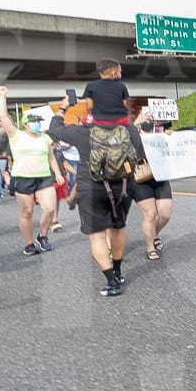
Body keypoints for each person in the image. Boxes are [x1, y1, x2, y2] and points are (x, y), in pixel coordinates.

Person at [47, 93, 144, 297]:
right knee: (118, 229)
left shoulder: (83, 131)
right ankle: (118, 272)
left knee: (97, 236)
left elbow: (55, 129)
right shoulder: (129, 130)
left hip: (91, 187)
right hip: (122, 187)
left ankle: (112, 281)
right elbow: (140, 156)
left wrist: (64, 107)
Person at [0, 87, 64, 255]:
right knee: (27, 212)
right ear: (25, 124)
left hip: (44, 177)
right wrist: (3, 96)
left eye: (39, 121)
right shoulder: (16, 135)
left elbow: (51, 158)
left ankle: (42, 236)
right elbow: (4, 117)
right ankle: (28, 244)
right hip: (22, 177)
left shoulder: (44, 137)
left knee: (49, 209)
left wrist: (58, 173)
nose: (37, 124)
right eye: (34, 121)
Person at [131, 112, 174, 260]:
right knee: (150, 214)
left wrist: (172, 138)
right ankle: (150, 247)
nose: (147, 121)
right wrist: (136, 123)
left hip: (160, 177)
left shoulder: (161, 136)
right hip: (142, 178)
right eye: (145, 119)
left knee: (165, 214)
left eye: (150, 119)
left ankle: (154, 233)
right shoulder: (133, 136)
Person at [83, 58, 131, 126]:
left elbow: (89, 107)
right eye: (120, 71)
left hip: (99, 121)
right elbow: (125, 106)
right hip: (120, 120)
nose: (120, 73)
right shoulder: (122, 86)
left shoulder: (91, 86)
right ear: (114, 72)